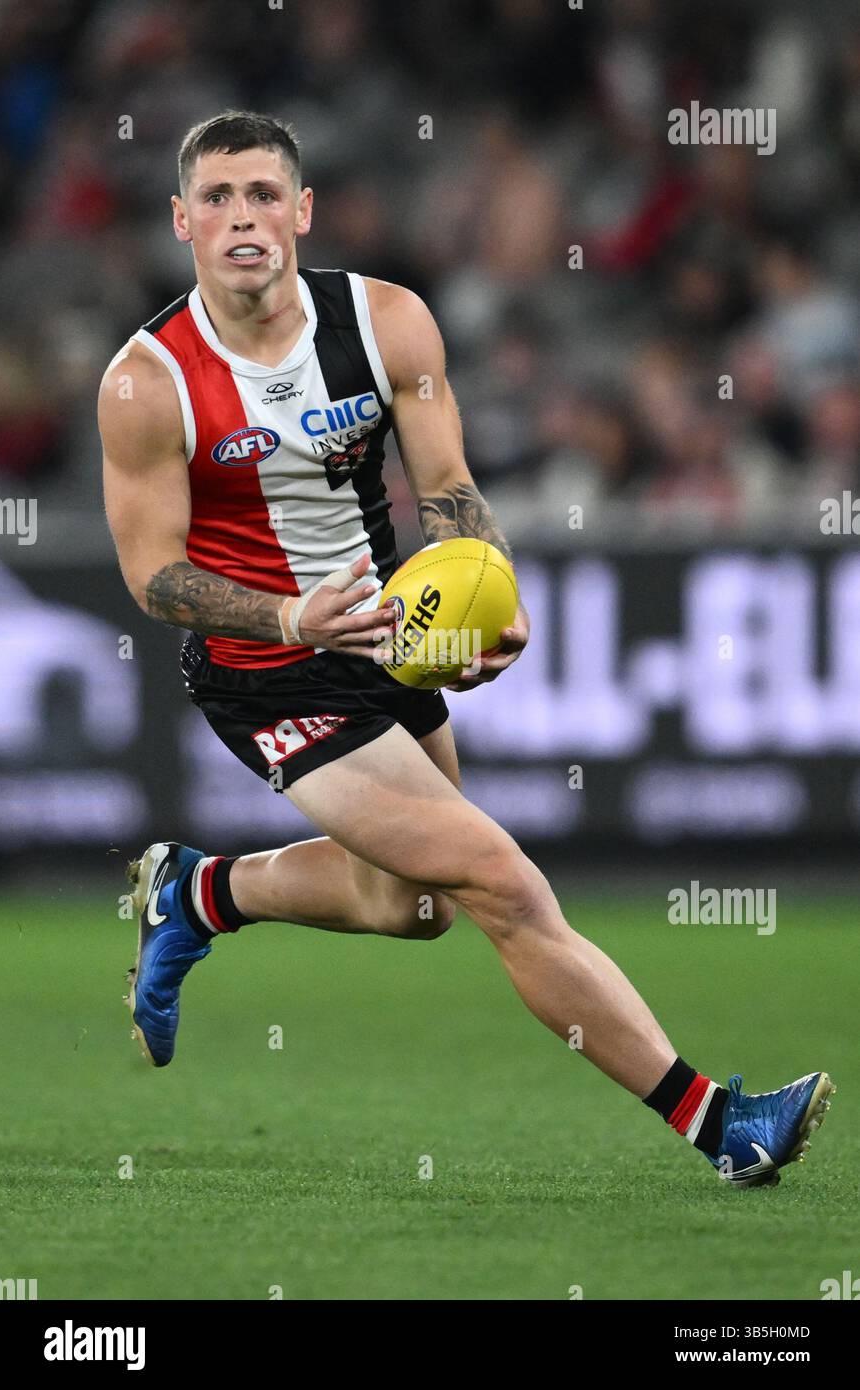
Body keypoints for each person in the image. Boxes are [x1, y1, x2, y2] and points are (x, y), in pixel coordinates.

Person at [99, 111, 833, 1188]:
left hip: (385, 646)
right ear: (182, 221)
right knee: (500, 880)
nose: (241, 216)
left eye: (262, 194)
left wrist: (489, 589)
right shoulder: (146, 379)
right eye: (216, 197)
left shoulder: (385, 322)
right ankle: (721, 1122)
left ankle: (200, 894)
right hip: (264, 672)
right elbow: (152, 574)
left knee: (412, 905)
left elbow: (446, 486)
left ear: (301, 212)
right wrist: (290, 618)